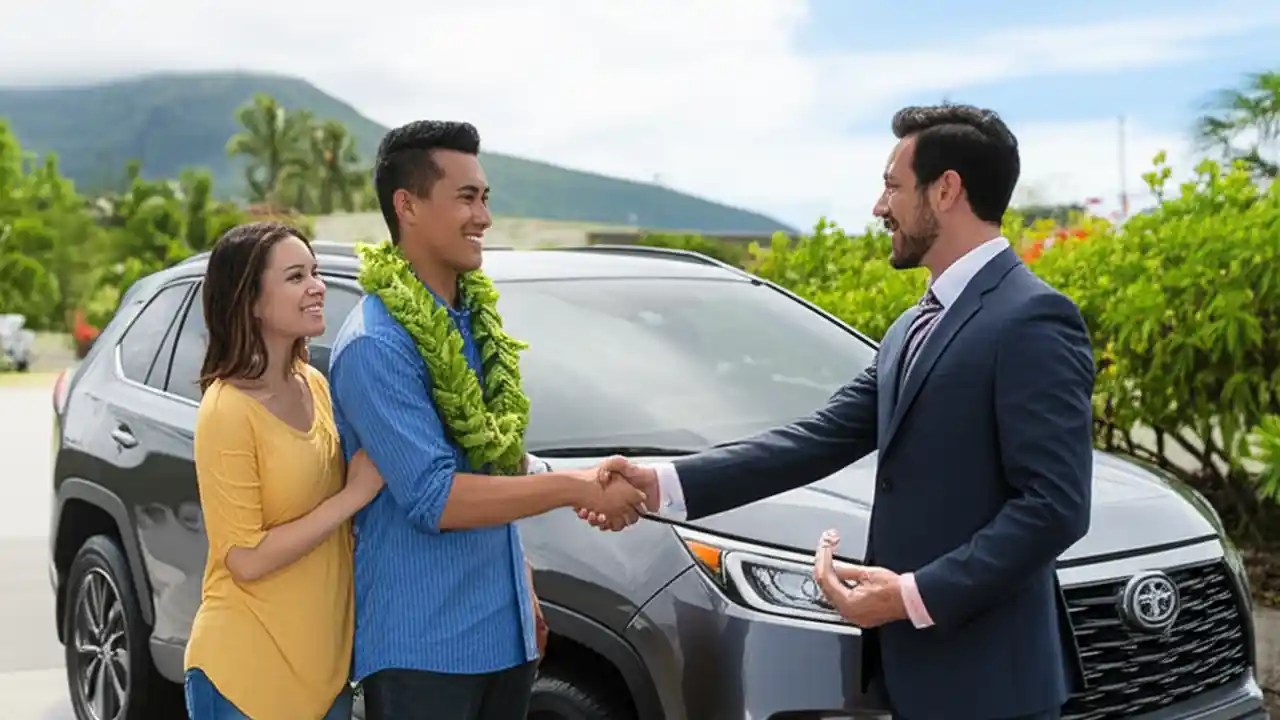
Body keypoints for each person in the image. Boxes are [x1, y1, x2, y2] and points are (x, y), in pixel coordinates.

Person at [590, 104, 1096, 720]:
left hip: (993, 686)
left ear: (947, 190)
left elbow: (1055, 506)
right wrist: (662, 483)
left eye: (891, 186)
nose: (880, 208)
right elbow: (819, 438)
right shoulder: (914, 325)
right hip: (918, 677)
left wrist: (912, 594)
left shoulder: (1032, 319)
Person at [327, 119, 646, 720]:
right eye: (467, 198)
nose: (485, 217)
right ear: (408, 206)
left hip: (505, 638)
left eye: (486, 198)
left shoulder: (477, 324)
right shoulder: (376, 344)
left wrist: (520, 581)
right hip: (425, 651)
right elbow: (436, 498)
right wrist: (574, 487)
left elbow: (497, 465)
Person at [184, 221, 386, 720]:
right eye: (296, 276)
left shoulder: (313, 383)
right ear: (250, 300)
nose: (317, 286)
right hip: (246, 677)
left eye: (314, 272)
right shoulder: (226, 410)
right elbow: (245, 558)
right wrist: (352, 497)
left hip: (325, 675)